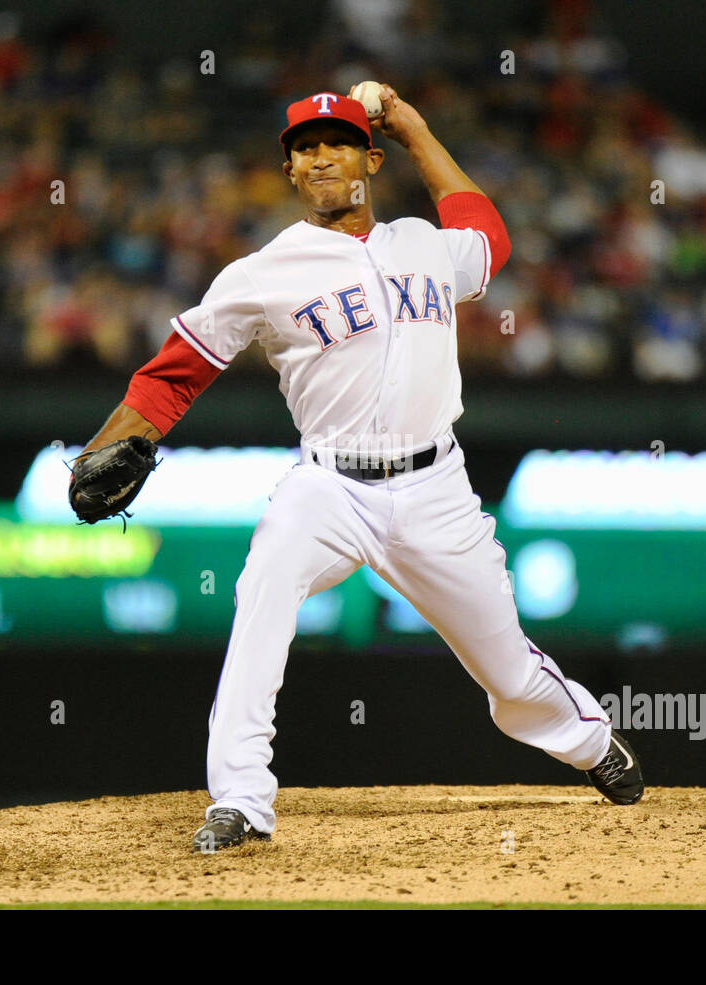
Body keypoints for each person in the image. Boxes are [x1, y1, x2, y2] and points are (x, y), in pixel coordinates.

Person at [73, 85, 644, 853]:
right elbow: (173, 372)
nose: (319, 157)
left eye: (336, 141)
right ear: (290, 171)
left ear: (368, 157)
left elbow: (489, 232)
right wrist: (105, 442)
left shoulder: (425, 244)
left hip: (436, 486)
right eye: (304, 147)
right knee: (264, 584)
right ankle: (240, 798)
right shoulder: (265, 270)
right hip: (330, 486)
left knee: (508, 671)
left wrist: (413, 126)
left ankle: (587, 740)